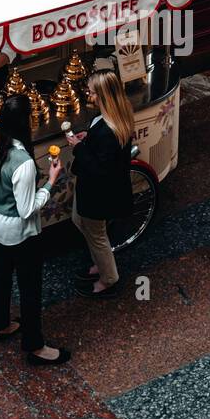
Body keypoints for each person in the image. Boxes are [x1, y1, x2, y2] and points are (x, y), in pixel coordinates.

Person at [0, 93, 69, 367]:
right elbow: (27, 209)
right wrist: (50, 182)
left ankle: (0, 324)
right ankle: (34, 345)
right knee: (30, 287)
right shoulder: (24, 163)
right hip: (19, 233)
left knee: (1, 273)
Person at [70, 69, 135, 298]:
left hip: (97, 193)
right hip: (94, 190)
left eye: (92, 92)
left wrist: (78, 148)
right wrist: (87, 140)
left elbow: (100, 169)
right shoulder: (114, 116)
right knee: (79, 221)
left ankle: (109, 278)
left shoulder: (109, 129)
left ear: (103, 95)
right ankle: (101, 260)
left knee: (95, 233)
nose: (89, 96)